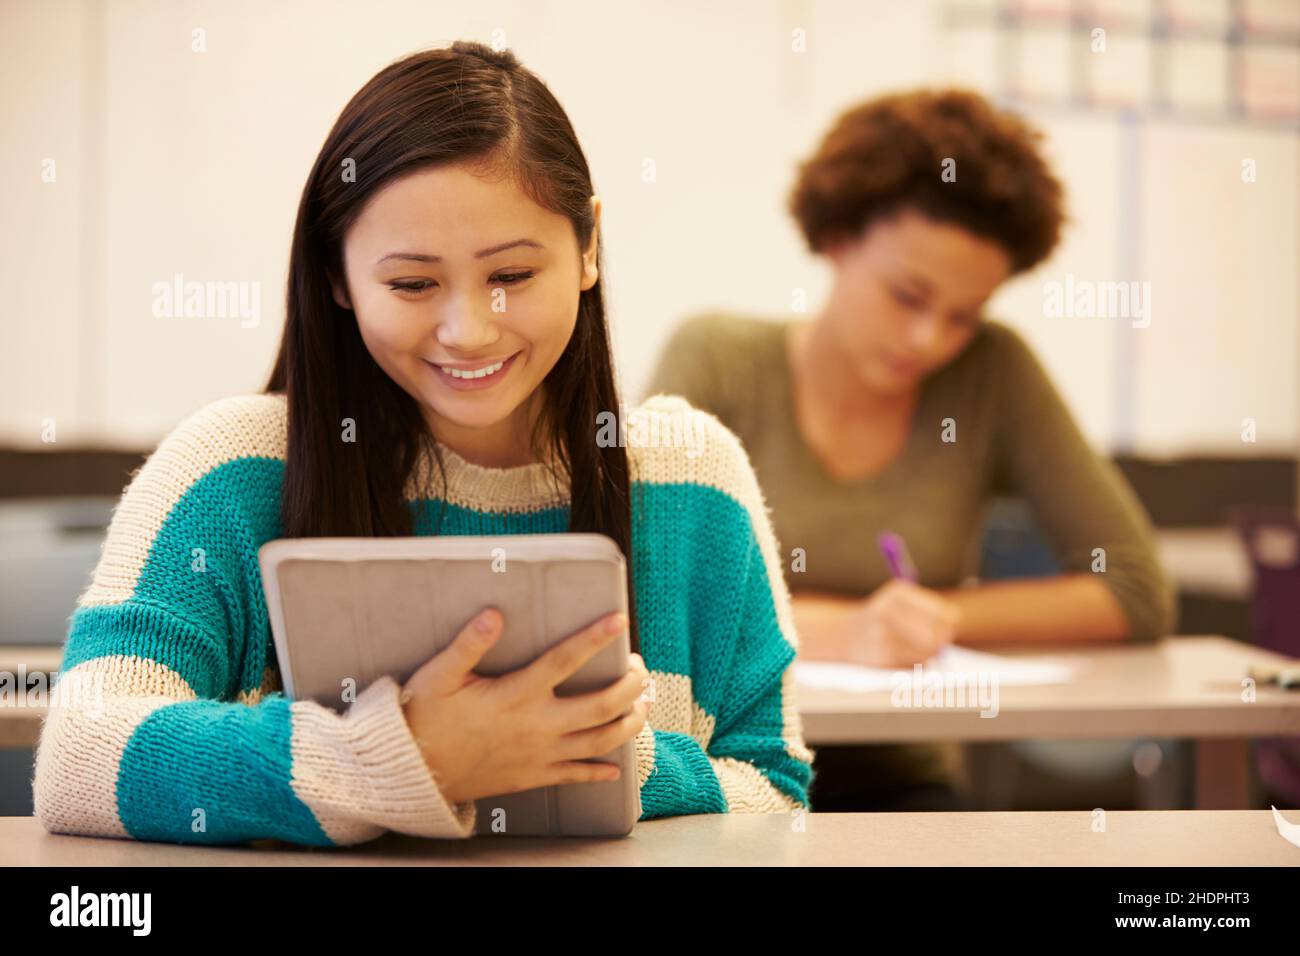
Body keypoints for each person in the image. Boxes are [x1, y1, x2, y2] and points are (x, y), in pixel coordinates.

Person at [32, 42, 813, 846]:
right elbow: (79, 758)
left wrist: (604, 757)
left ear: (587, 249)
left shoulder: (694, 475)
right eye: (412, 284)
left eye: (511, 274)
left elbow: (777, 793)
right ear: (337, 275)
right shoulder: (232, 466)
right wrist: (403, 755)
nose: (468, 330)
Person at [645, 89, 1174, 810]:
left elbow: (1135, 590)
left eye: (963, 315)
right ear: (837, 238)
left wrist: (943, 619)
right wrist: (847, 631)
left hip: (904, 777)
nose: (929, 340)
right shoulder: (716, 359)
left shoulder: (992, 373)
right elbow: (657, 597)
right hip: (723, 775)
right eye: (907, 295)